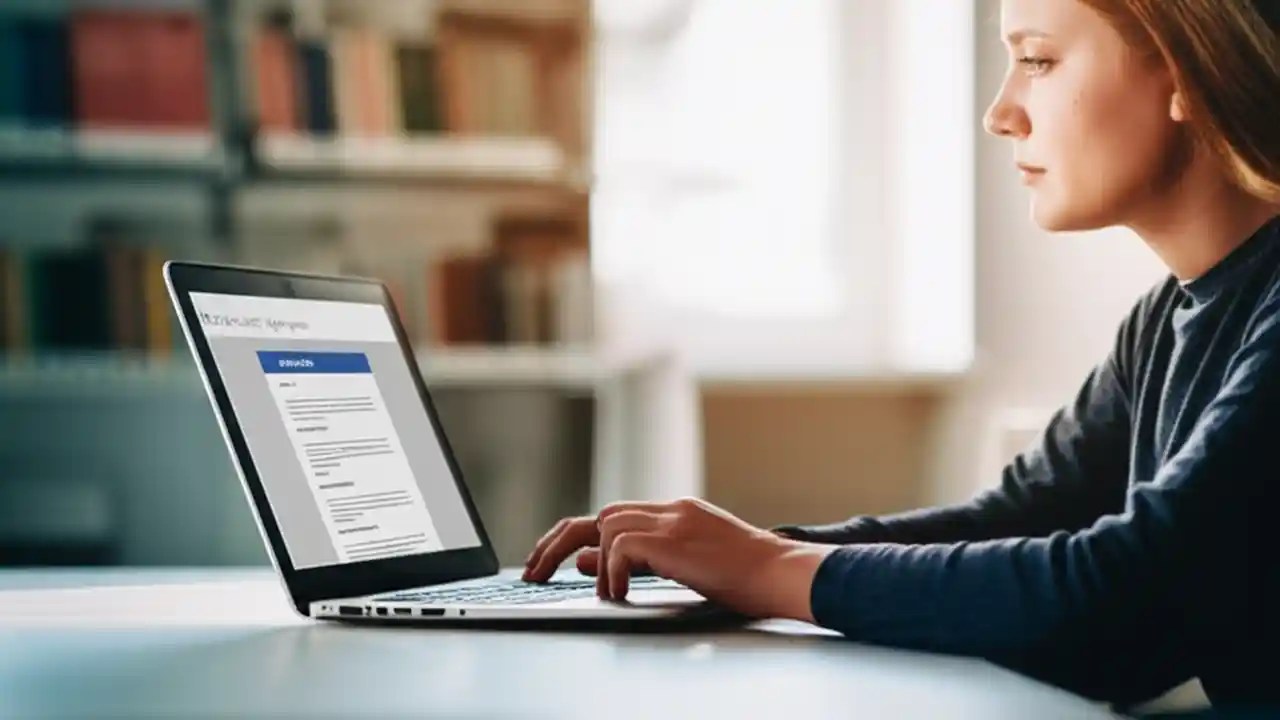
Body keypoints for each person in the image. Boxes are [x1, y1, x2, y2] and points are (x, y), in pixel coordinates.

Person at [522, 0, 1280, 711]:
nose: (1000, 113)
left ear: (1183, 71)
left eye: (1039, 61)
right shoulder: (1171, 317)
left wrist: (764, 570)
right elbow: (1018, 519)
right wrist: (735, 553)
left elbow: (1123, 605)